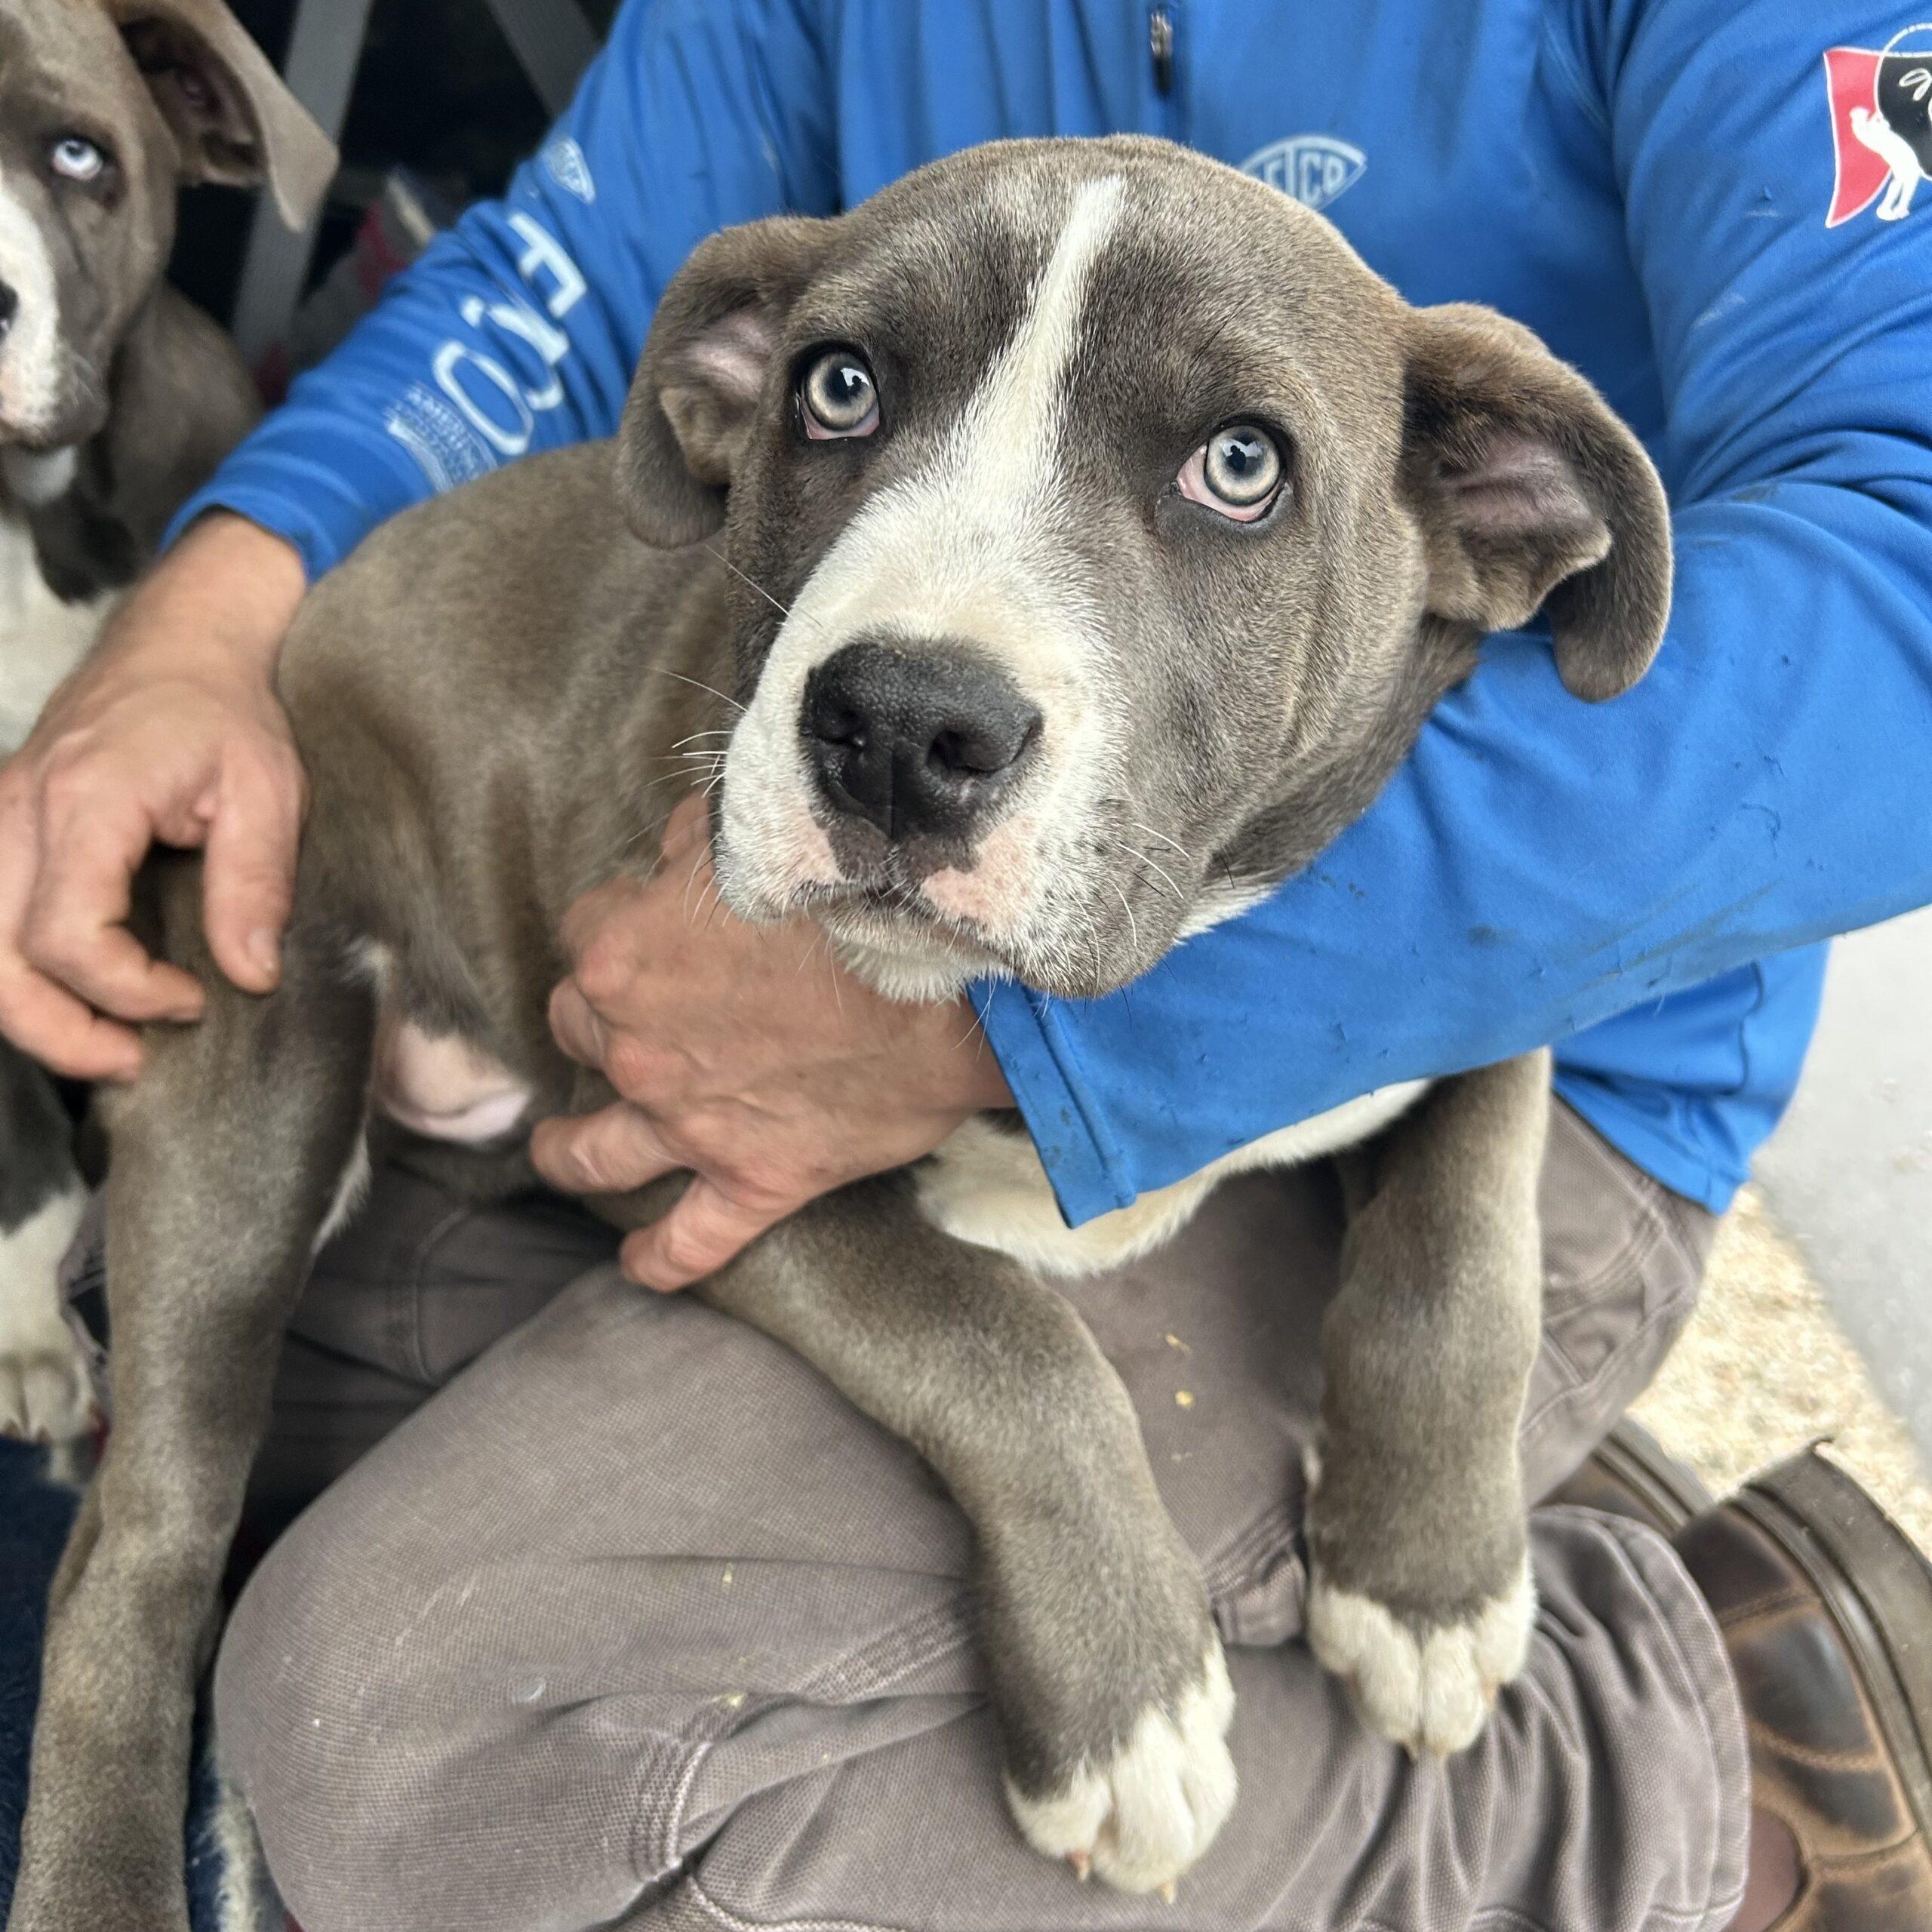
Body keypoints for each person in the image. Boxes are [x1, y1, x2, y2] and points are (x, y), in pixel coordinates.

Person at [8, 2, 1932, 1927]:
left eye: (1240, 460)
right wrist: (215, 593)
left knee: (421, 1734)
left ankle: (1678, 1764)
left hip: (1526, 1002)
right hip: (718, 981)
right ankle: (1354, 1551)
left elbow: (1905, 578)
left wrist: (1028, 1049)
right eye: (840, 391)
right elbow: (578, 271)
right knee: (230, 1377)